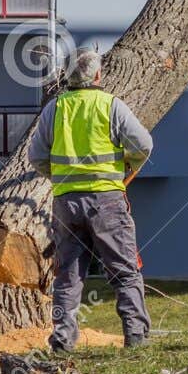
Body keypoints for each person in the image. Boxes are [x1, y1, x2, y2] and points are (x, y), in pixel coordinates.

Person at [27, 46, 153, 353]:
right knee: (124, 270)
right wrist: (127, 165)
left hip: (66, 204)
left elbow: (36, 157)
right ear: (98, 74)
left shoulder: (54, 109)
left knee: (67, 275)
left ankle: (62, 343)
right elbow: (144, 144)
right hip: (107, 200)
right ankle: (136, 339)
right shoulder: (111, 105)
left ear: (67, 76)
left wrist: (61, 178)